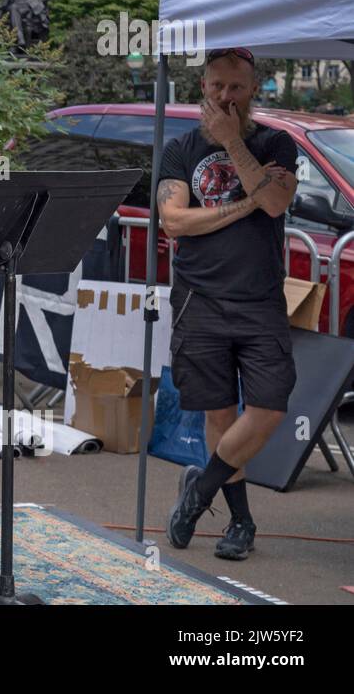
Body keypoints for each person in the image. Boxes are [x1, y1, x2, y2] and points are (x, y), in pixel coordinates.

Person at [157, 47, 300, 561]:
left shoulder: (275, 143)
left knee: (268, 407)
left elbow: (277, 202)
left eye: (236, 87)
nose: (226, 96)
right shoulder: (179, 149)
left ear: (253, 89)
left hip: (259, 300)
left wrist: (233, 144)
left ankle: (199, 490)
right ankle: (241, 524)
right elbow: (173, 221)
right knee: (219, 413)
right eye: (217, 86)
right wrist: (245, 204)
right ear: (203, 87)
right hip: (200, 299)